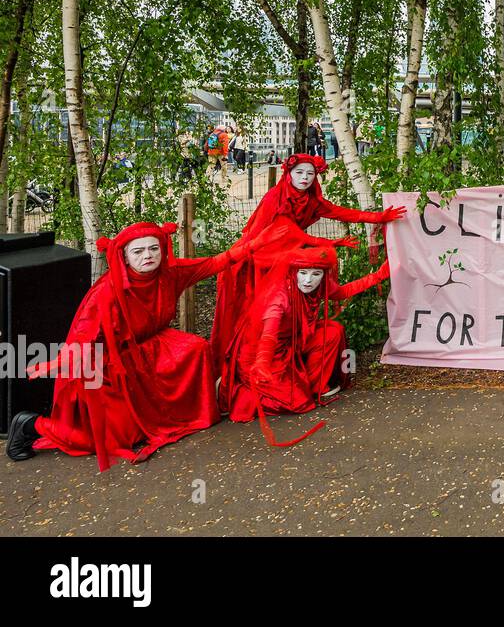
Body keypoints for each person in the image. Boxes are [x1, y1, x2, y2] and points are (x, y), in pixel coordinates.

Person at [5, 223, 257, 470]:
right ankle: (29, 424)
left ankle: (176, 416)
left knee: (195, 348)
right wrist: (60, 361)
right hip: (105, 364)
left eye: (154, 248)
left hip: (148, 347)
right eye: (138, 251)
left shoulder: (170, 273)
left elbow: (214, 263)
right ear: (124, 256)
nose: (148, 255)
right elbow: (83, 335)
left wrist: (256, 243)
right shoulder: (108, 291)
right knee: (101, 441)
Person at [209, 153, 405, 407]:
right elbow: (265, 235)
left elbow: (341, 213)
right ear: (288, 174)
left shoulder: (313, 201)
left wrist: (377, 218)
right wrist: (325, 243)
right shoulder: (274, 198)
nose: (304, 178)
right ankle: (243, 373)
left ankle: (297, 369)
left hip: (287, 257)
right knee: (261, 317)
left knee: (298, 313)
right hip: (258, 261)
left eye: (310, 174)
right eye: (299, 173)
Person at [224, 237, 389, 444]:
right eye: (302, 273)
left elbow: (342, 292)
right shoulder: (280, 294)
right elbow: (269, 331)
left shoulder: (318, 286)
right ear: (294, 272)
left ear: (323, 274)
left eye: (315, 274)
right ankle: (237, 389)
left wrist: (379, 275)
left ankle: (314, 385)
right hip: (260, 355)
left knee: (333, 330)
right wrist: (263, 362)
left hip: (292, 342)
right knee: (297, 403)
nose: (308, 280)